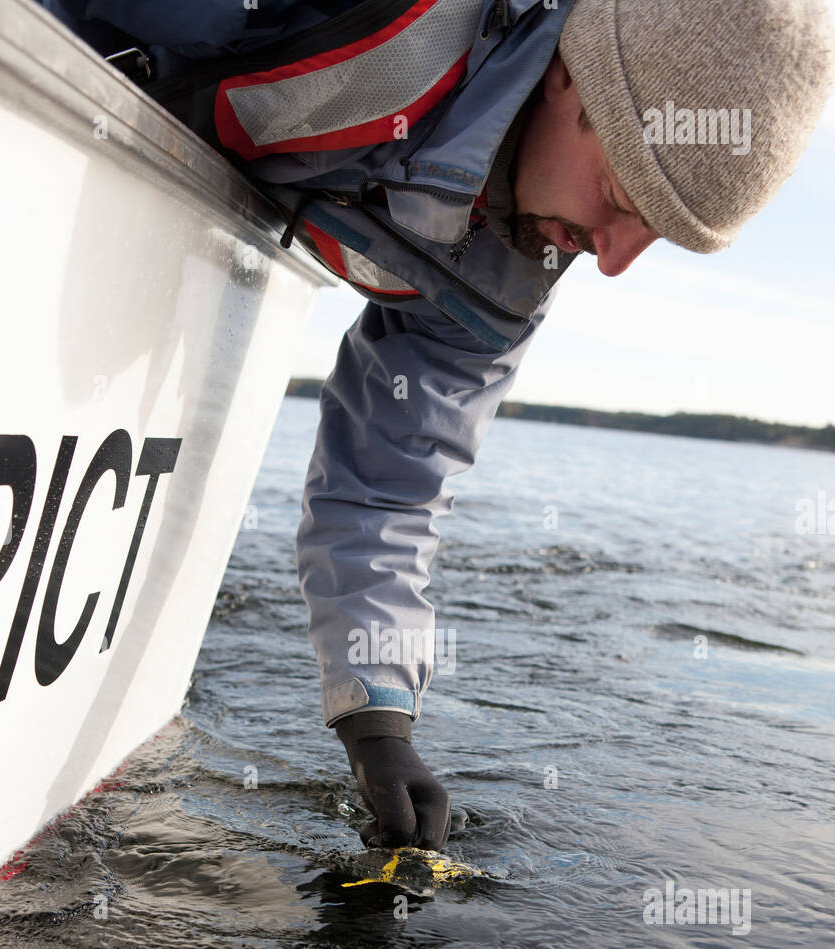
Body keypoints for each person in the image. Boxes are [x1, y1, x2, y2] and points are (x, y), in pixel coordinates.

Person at [41, 0, 834, 850]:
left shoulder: (501, 286)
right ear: (571, 73)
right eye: (621, 195)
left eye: (656, 238)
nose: (610, 260)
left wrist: (378, 724)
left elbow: (389, 488)